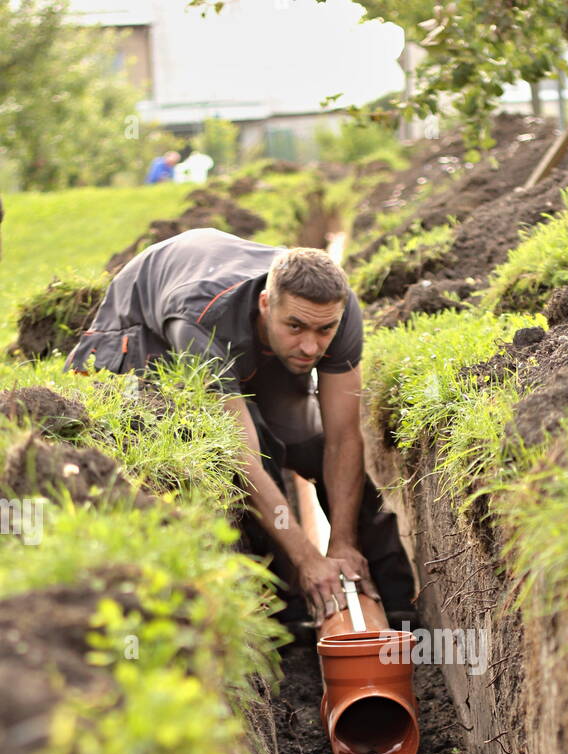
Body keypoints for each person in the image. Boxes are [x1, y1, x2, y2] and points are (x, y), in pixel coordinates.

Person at [63, 227, 416, 625]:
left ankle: (394, 599)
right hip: (150, 331)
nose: (311, 347)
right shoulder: (199, 321)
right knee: (254, 454)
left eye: (324, 331)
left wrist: (343, 542)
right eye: (296, 327)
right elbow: (241, 454)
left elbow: (343, 438)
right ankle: (291, 611)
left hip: (246, 337)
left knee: (308, 441)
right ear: (266, 304)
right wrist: (306, 556)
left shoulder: (335, 309)